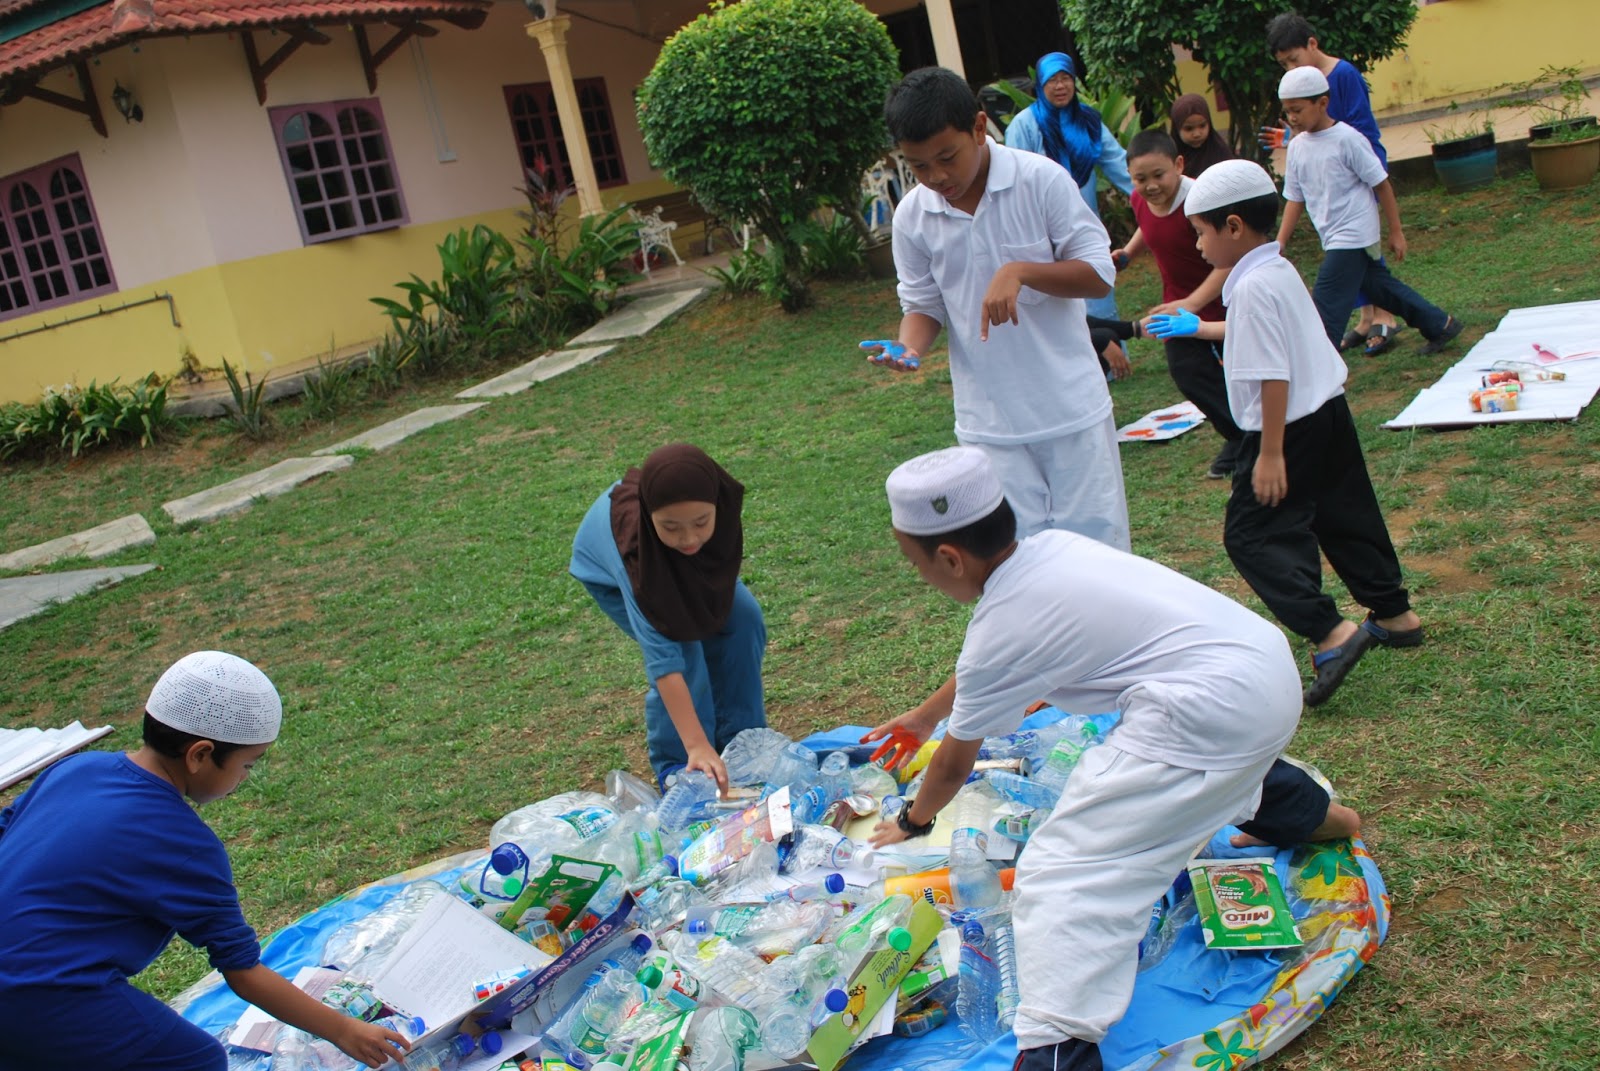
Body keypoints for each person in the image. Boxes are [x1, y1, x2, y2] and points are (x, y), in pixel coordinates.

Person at [864, 446, 1358, 1071]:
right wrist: (927, 717)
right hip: (1260, 674)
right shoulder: (1050, 550)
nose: (920, 576)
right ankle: (1327, 819)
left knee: (1065, 871)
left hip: (1210, 714)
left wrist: (911, 822)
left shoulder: (1004, 622)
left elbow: (953, 766)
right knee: (1201, 781)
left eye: (916, 564)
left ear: (949, 558)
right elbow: (989, 667)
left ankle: (1056, 1047)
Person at [0, 651, 411, 1071]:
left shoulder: (76, 769)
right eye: (247, 764)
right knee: (193, 1060)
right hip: (41, 993)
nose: (245, 778)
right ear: (199, 754)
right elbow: (242, 970)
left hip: (20, 978)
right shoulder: (183, 844)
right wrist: (344, 1030)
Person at [1147, 158, 1426, 705]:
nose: (1199, 247)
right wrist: (1199, 326)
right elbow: (1265, 331)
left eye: (1201, 232)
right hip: (1327, 410)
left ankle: (1331, 633)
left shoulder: (1250, 287)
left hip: (1287, 425)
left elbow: (1272, 370)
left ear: (1232, 227)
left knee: (1250, 535)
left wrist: (1270, 452)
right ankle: (1395, 614)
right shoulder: (1275, 270)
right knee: (1344, 512)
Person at [866, 66, 1129, 550]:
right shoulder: (913, 216)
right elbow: (923, 304)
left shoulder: (1041, 181)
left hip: (1071, 410)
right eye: (918, 166)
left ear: (979, 128)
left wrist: (1022, 271)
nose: (936, 177)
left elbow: (1098, 274)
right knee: (1015, 562)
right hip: (989, 424)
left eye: (947, 157)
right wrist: (909, 347)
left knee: (1099, 554)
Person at [569, 443, 766, 790]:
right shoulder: (640, 563)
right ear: (650, 518)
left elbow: (713, 579)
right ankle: (680, 764)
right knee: (683, 646)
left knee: (744, 619)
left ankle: (742, 740)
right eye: (671, 527)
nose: (689, 538)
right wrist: (696, 744)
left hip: (678, 566)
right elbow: (664, 662)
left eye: (701, 523)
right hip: (613, 574)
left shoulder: (716, 513)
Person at [1276, 67, 1462, 359]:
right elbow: (1294, 198)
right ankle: (1439, 324)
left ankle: (1318, 362)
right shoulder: (1297, 147)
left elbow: (1382, 185)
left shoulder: (1348, 139)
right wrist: (1281, 242)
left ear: (1322, 103)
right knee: (1381, 289)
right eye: (1287, 111)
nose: (1292, 118)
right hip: (1332, 234)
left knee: (1327, 301)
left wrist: (1396, 231)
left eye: (1297, 110)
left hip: (1354, 233)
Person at [1265, 12, 1399, 356]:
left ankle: (1385, 316)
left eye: (1294, 60)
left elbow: (1355, 125)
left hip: (1357, 168)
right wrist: (1291, 136)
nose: (1291, 70)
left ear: (1312, 44)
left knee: (1361, 246)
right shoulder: (1301, 91)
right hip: (1332, 175)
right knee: (1346, 252)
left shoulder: (1343, 75)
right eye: (1284, 65)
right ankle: (1367, 317)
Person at [1112, 129, 1244, 479]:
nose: (1151, 185)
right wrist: (1128, 252)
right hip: (1179, 305)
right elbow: (1147, 224)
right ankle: (1240, 436)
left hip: (1221, 297)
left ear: (1179, 165)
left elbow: (1227, 262)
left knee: (1242, 372)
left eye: (1158, 175)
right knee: (1188, 371)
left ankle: (1257, 435)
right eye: (1140, 178)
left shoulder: (1199, 201)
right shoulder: (1139, 199)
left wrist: (1192, 303)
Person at [1001, 52, 1134, 320]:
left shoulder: (1089, 121)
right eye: (1052, 80)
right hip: (1042, 234)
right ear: (1040, 84)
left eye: (1066, 78)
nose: (1060, 86)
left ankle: (1111, 360)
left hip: (1084, 229)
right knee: (1059, 312)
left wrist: (1161, 195)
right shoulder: (1024, 126)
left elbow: (1120, 166)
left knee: (1100, 306)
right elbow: (1014, 182)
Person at [1168, 93, 1233, 178]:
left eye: (1202, 126)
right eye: (1189, 128)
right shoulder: (1170, 158)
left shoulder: (1220, 151)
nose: (1197, 134)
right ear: (1177, 129)